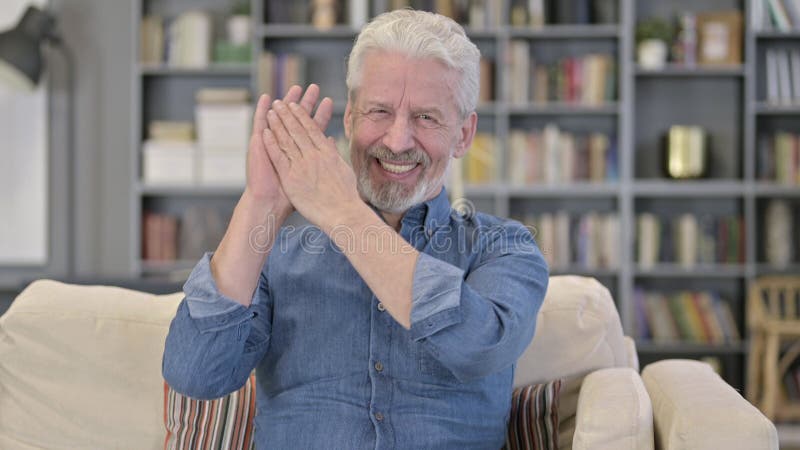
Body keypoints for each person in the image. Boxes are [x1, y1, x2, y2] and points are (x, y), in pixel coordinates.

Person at [163, 9, 548, 449]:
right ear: (349, 120)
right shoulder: (276, 257)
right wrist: (260, 202)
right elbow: (195, 373)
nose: (398, 141)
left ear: (463, 134)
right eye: (379, 111)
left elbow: (479, 346)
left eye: (426, 118)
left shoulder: (504, 247)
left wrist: (343, 212)